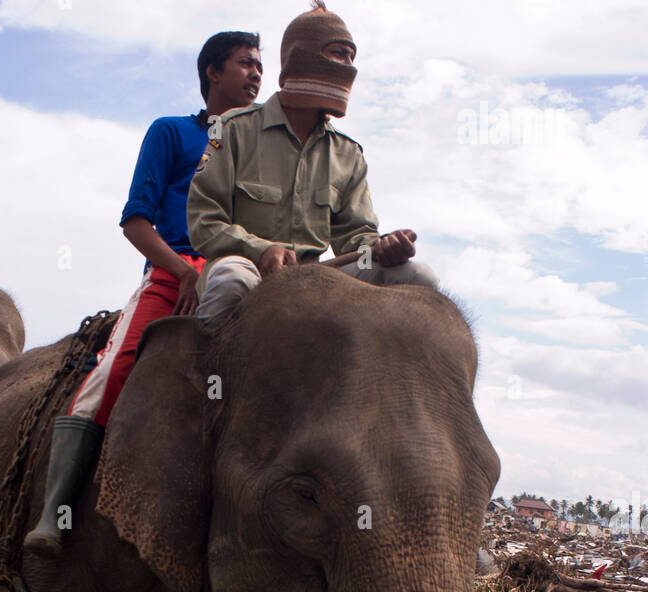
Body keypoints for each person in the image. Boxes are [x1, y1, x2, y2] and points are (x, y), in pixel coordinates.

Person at [24, 31, 263, 556]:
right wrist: (182, 272)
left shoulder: (262, 148)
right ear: (211, 73)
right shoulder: (172, 133)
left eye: (260, 66)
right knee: (117, 365)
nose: (257, 74)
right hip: (176, 271)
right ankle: (56, 509)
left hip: (251, 274)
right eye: (245, 63)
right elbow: (136, 221)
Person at [187, 2, 437, 330]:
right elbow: (204, 220)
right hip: (247, 267)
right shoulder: (234, 129)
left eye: (352, 57)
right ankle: (206, 377)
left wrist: (382, 247)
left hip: (319, 277)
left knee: (418, 277)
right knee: (230, 280)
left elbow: (356, 239)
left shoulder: (348, 154)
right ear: (301, 57)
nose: (348, 67)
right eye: (339, 54)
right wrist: (261, 250)